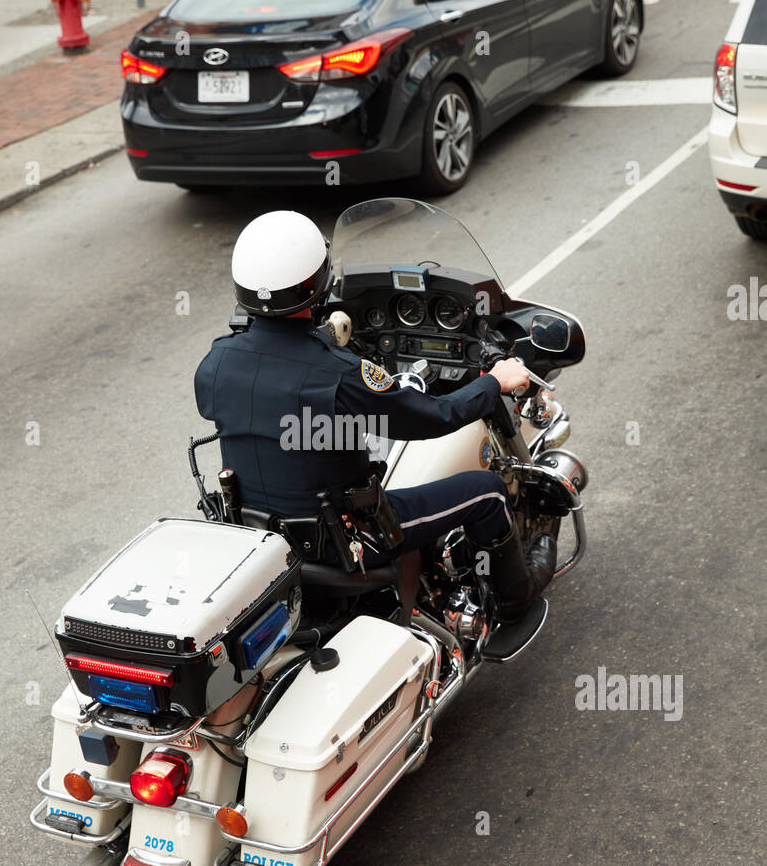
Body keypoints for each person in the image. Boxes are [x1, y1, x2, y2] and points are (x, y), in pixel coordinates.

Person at [194, 211, 557, 622]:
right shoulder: (341, 373)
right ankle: (516, 605)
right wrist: (493, 381)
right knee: (487, 491)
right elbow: (432, 417)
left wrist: (321, 342)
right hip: (347, 539)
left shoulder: (217, 362)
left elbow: (267, 399)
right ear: (319, 282)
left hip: (262, 535)